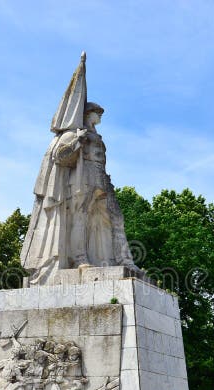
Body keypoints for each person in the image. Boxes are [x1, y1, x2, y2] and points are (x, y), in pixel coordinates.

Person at [20, 52, 136, 285]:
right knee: (80, 217)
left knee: (114, 218)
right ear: (86, 113)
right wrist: (76, 141)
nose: (99, 116)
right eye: (96, 112)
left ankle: (122, 259)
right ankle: (80, 258)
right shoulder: (74, 134)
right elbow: (60, 157)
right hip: (80, 180)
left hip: (101, 179)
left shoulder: (96, 135)